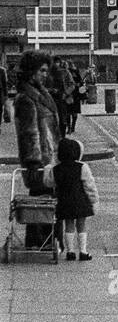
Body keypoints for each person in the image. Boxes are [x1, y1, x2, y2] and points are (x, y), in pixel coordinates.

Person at [13, 50, 62, 246]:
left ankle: (43, 241)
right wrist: (34, 162)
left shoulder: (42, 94)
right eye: (41, 70)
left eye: (46, 70)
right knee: (41, 200)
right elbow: (28, 134)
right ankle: (40, 241)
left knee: (46, 200)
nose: (45, 74)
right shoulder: (26, 98)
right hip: (40, 159)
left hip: (50, 156)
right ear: (31, 72)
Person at [46, 136, 99, 262]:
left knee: (68, 225)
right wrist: (94, 200)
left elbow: (49, 183)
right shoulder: (82, 167)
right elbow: (89, 185)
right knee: (81, 225)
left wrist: (49, 167)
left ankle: (70, 252)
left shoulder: (56, 169)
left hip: (64, 201)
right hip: (80, 200)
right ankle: (83, 252)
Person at [67, 63, 83, 133]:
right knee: (69, 112)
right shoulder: (67, 73)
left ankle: (72, 127)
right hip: (70, 94)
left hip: (75, 94)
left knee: (73, 112)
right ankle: (70, 127)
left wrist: (78, 84)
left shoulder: (76, 73)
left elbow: (81, 82)